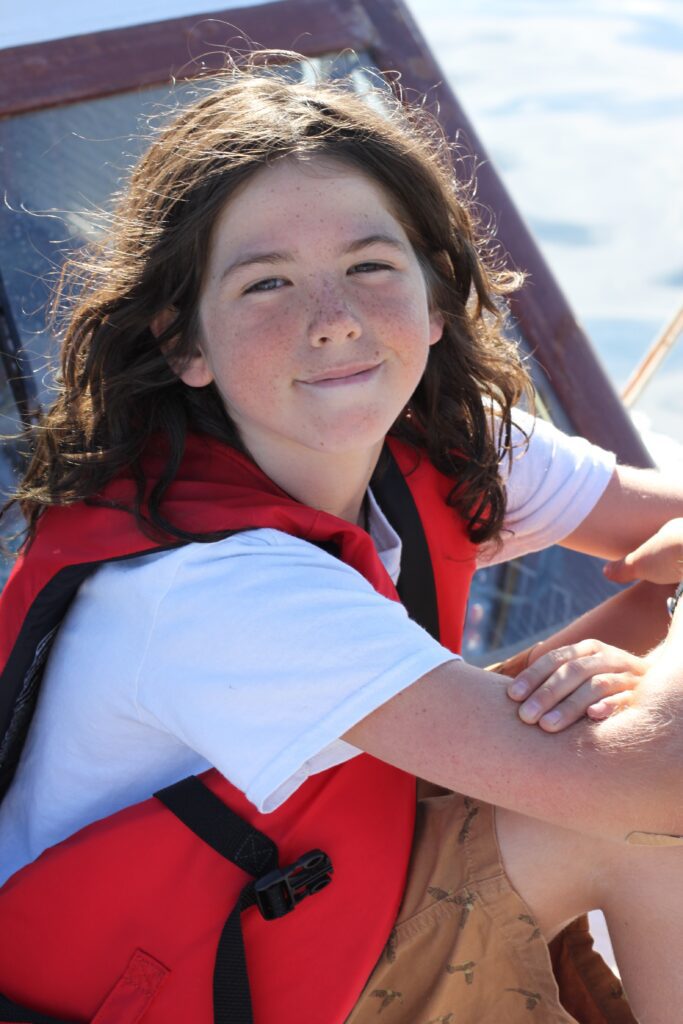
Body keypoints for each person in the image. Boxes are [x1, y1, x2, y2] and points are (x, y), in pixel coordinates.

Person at [0, 56, 681, 1024]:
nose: (334, 322)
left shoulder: (426, 442)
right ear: (181, 342)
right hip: (167, 986)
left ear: (436, 299)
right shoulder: (214, 591)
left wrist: (633, 637)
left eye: (369, 266)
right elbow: (653, 783)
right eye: (265, 284)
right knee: (641, 818)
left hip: (304, 891)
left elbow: (664, 526)